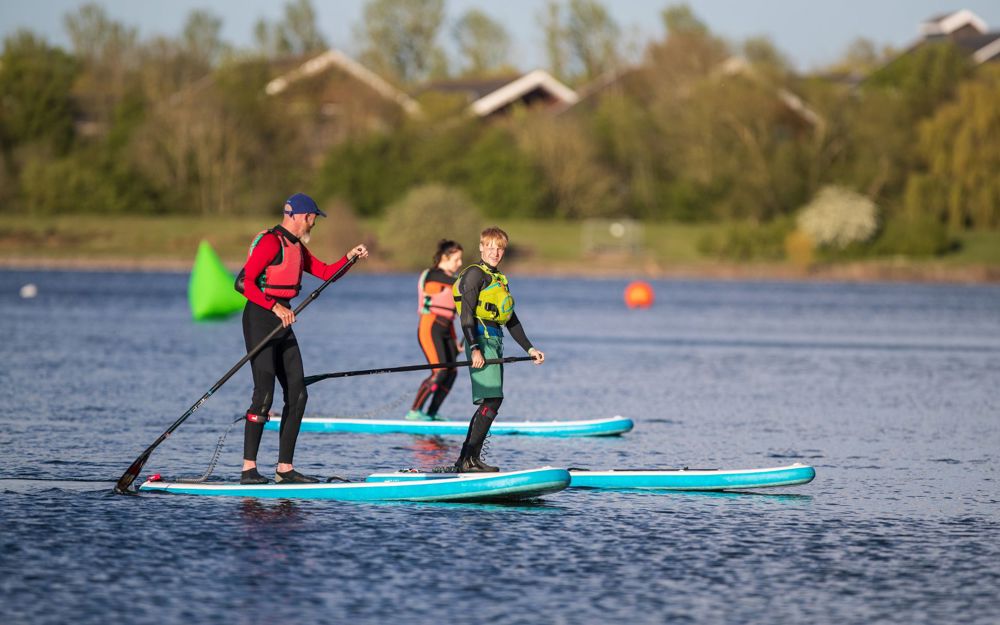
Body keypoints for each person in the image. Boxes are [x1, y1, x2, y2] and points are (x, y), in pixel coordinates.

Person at [237, 193, 369, 484]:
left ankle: (284, 468)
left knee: (298, 394)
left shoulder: (296, 247)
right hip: (260, 318)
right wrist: (274, 306)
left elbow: (326, 273)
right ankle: (248, 470)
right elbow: (243, 282)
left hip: (283, 321)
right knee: (264, 395)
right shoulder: (270, 242)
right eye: (312, 218)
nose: (314, 223)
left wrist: (349, 258)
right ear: (300, 216)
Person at [451, 227, 544, 472]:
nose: (495, 252)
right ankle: (467, 460)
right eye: (490, 247)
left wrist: (530, 348)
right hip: (480, 340)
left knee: (492, 400)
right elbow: (466, 316)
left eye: (499, 248)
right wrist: (474, 348)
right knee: (492, 399)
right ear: (481, 248)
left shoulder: (499, 279)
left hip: (494, 341)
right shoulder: (475, 274)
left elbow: (511, 320)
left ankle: (468, 459)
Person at [406, 240, 464, 421]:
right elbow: (459, 283)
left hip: (446, 330)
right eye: (457, 259)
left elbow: (450, 316)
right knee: (440, 372)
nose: (460, 263)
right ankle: (414, 412)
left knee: (451, 372)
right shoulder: (432, 275)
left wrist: (455, 341)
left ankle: (431, 413)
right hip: (430, 328)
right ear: (445, 257)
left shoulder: (452, 280)